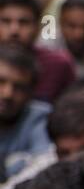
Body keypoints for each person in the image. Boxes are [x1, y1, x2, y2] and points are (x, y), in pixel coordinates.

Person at [0, 44, 50, 181]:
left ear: (31, 92)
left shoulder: (38, 118)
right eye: (1, 82)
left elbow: (42, 164)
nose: (8, 94)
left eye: (19, 87)